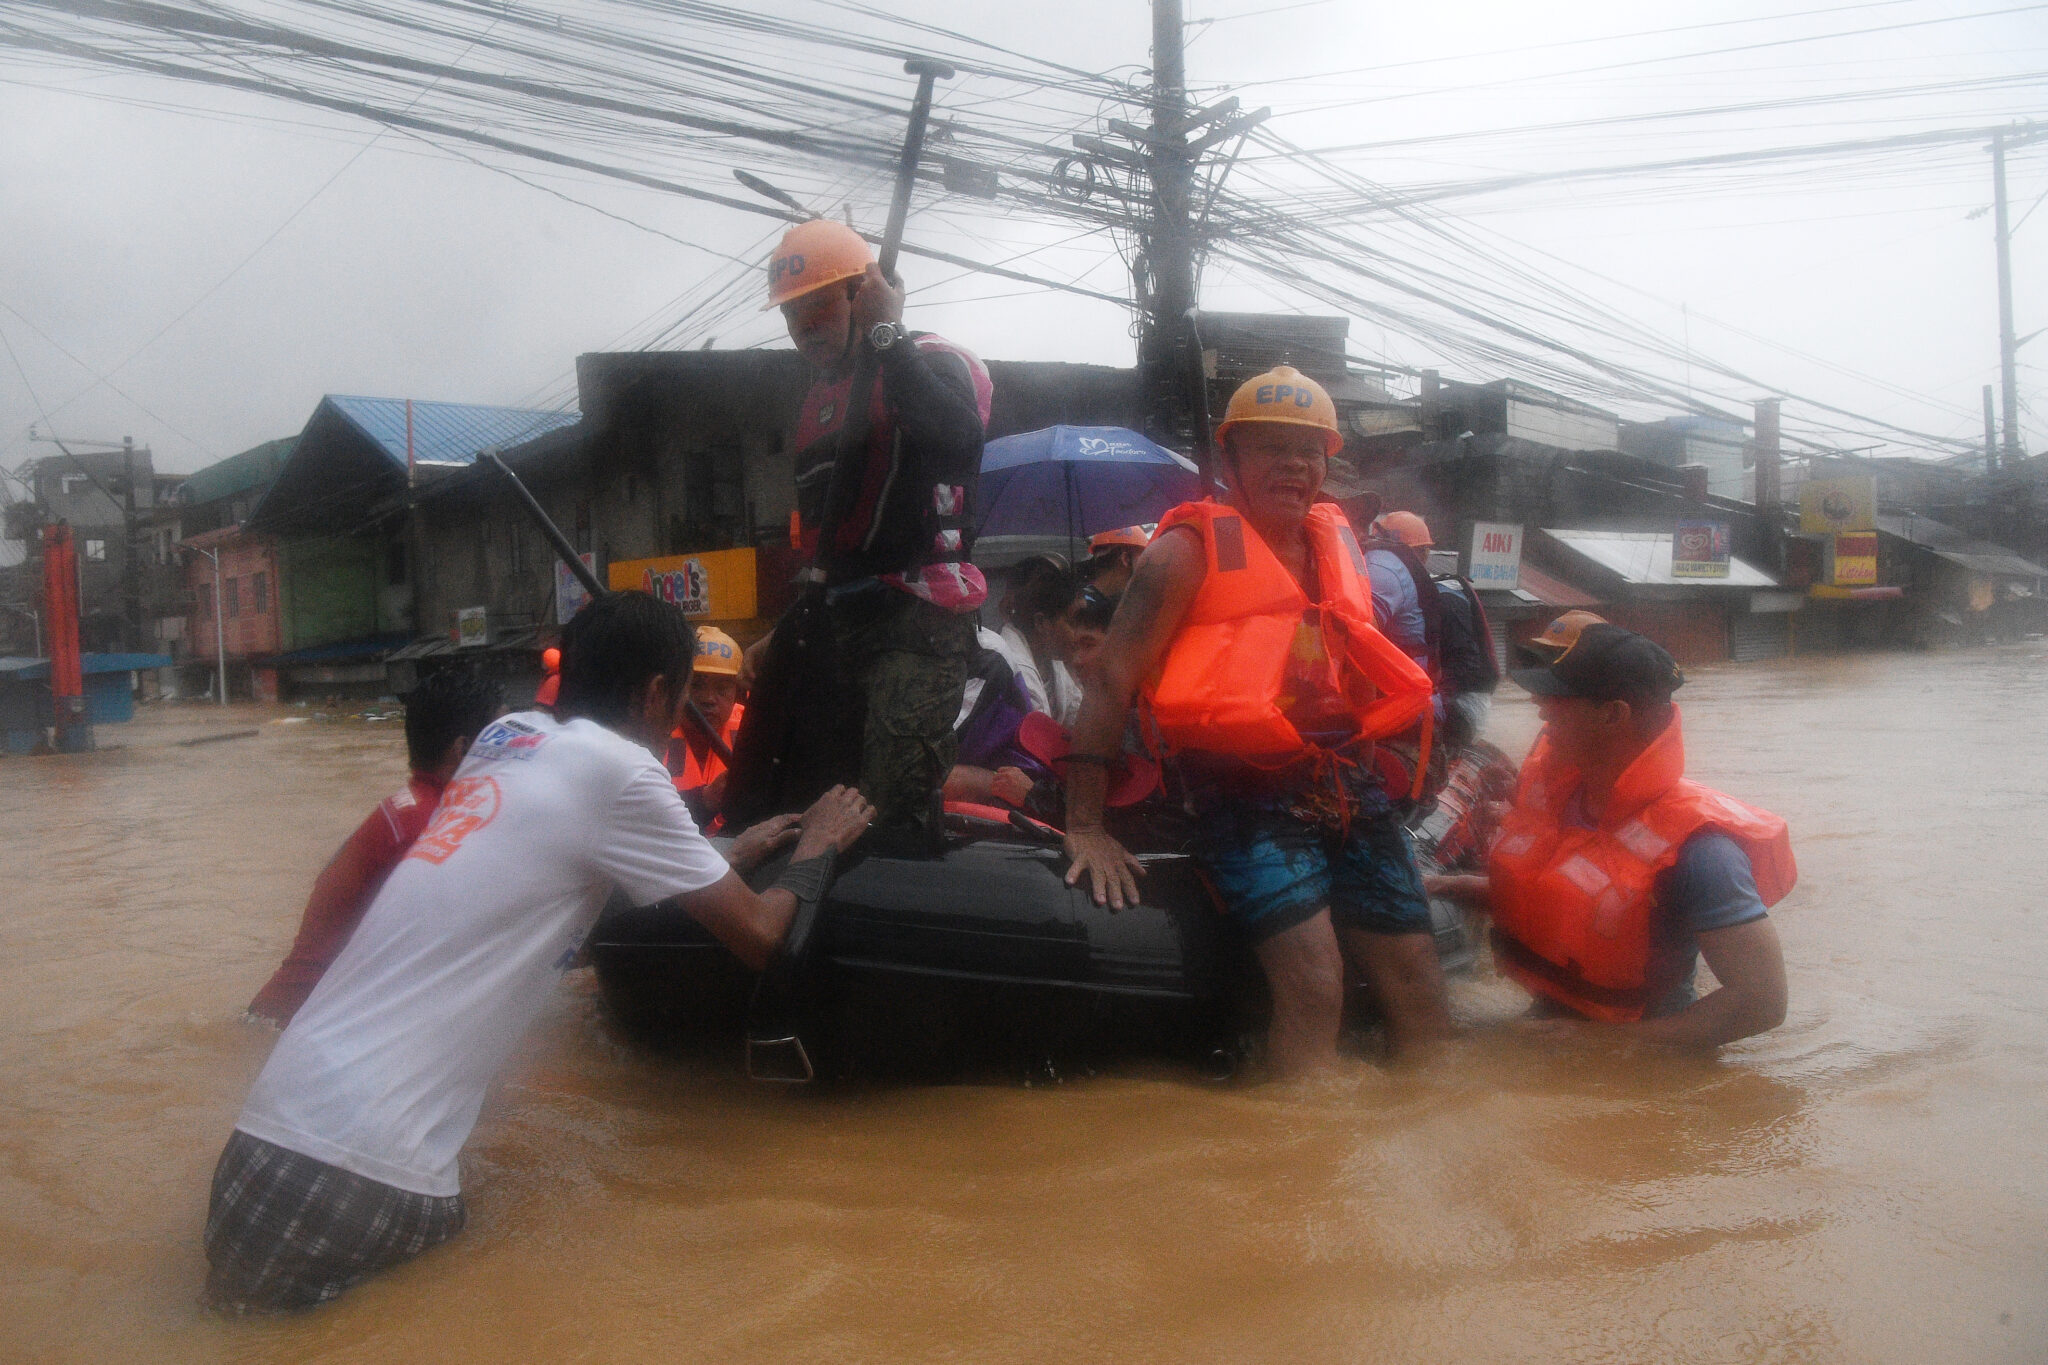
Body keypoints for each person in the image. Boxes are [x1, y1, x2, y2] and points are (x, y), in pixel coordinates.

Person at [204, 592, 874, 1313]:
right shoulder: (624, 769)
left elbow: (548, 907)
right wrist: (818, 844)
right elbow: (763, 938)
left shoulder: (505, 738)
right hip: (361, 1181)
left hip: (256, 1149)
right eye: (683, 697)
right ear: (655, 695)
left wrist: (721, 857)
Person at [1062, 366, 1449, 1076]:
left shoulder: (1339, 548)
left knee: (1421, 986)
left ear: (1328, 462)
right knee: (1313, 985)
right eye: (1272, 447)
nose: (1295, 465)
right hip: (1238, 793)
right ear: (1231, 458)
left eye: (1309, 450)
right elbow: (1111, 675)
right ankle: (1300, 1164)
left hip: (1341, 785)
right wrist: (1085, 822)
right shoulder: (1185, 552)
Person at [724, 219, 992, 854]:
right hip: (835, 619)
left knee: (888, 804)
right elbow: (830, 542)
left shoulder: (932, 359)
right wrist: (782, 628)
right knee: (784, 784)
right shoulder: (822, 397)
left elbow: (957, 443)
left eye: (820, 306)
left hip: (916, 617)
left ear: (861, 294)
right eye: (793, 315)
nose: (805, 328)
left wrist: (886, 334)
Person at [1429, 624, 1794, 1047]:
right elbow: (1562, 899)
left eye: (1558, 698)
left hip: (1646, 1065)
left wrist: (1603, 1045)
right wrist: (1457, 887)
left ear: (1613, 714)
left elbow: (1762, 1003)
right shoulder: (1560, 801)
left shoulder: (1701, 851)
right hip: (1551, 1028)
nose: (1541, 709)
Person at [244, 667, 504, 1027]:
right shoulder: (431, 826)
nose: (511, 751)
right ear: (461, 750)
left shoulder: (412, 808)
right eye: (501, 739)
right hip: (297, 1029)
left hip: (283, 1017)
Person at [1367, 511, 1500, 749]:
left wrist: (1434, 701)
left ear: (1418, 554)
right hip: (1455, 696)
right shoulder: (1425, 591)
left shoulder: (1445, 598)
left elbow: (1466, 669)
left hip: (1462, 704)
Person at [666, 625, 746, 830]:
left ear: (736, 691)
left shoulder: (752, 728)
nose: (709, 699)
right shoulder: (650, 732)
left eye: (722, 688)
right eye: (697, 685)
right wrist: (704, 800)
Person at [1082, 524, 1152, 602]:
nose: (1146, 564)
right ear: (1126, 559)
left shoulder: (1079, 603)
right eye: (1143, 557)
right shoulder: (1123, 608)